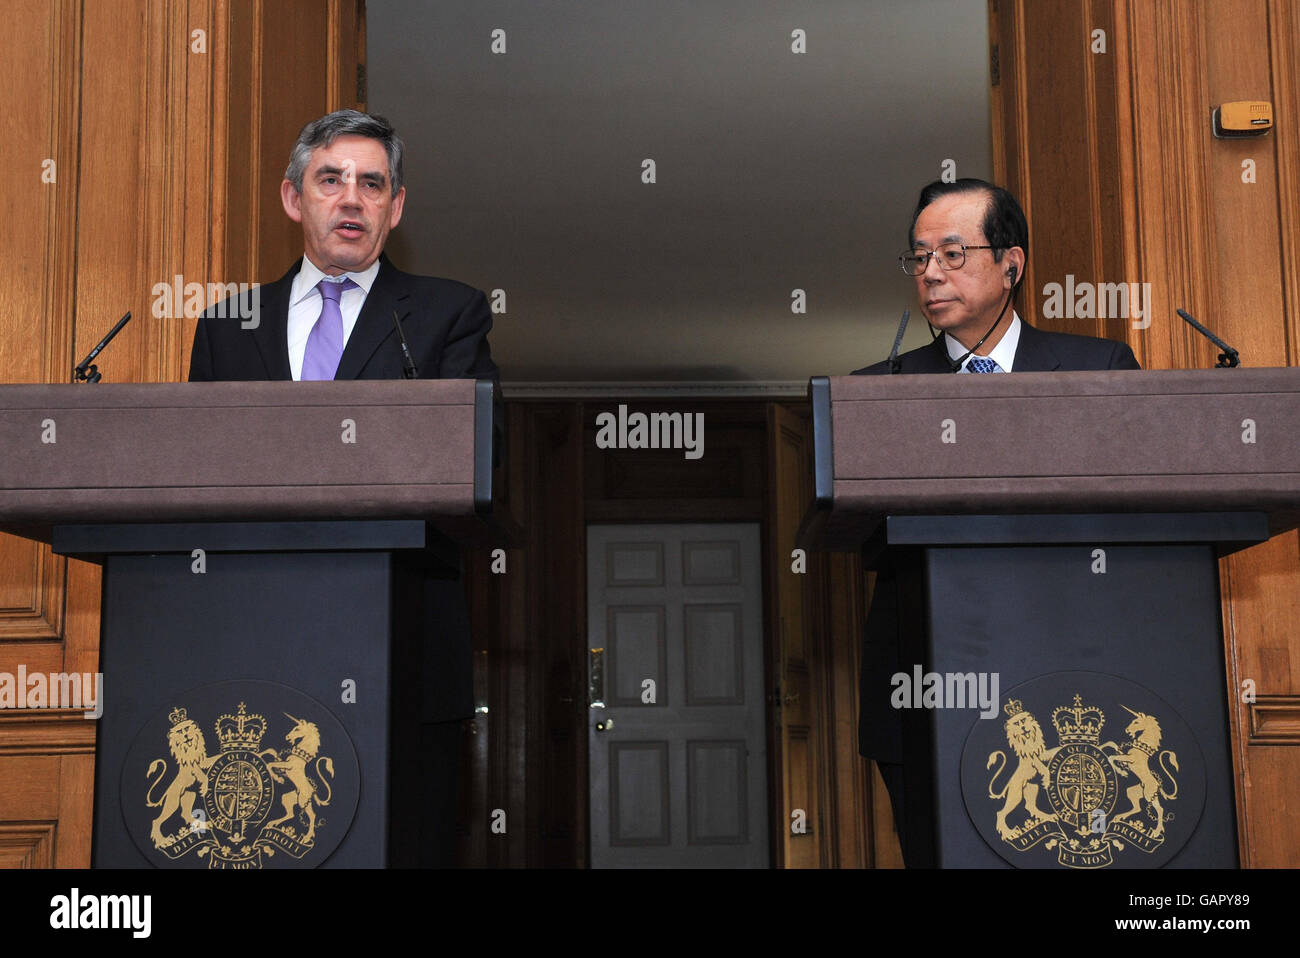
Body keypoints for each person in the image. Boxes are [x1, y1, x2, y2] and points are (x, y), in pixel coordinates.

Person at [189, 110, 496, 866]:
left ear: (396, 207)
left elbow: (471, 460)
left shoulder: (447, 313)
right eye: (332, 180)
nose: (351, 200)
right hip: (251, 638)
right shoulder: (230, 323)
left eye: (372, 184)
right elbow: (199, 469)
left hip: (404, 639)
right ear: (295, 198)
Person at [852, 178, 1140, 865]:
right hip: (925, 686)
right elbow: (861, 536)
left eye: (952, 253)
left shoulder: (1099, 368)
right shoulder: (875, 395)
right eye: (918, 258)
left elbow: (1130, 516)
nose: (930, 273)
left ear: (1011, 264)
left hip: (1078, 684)